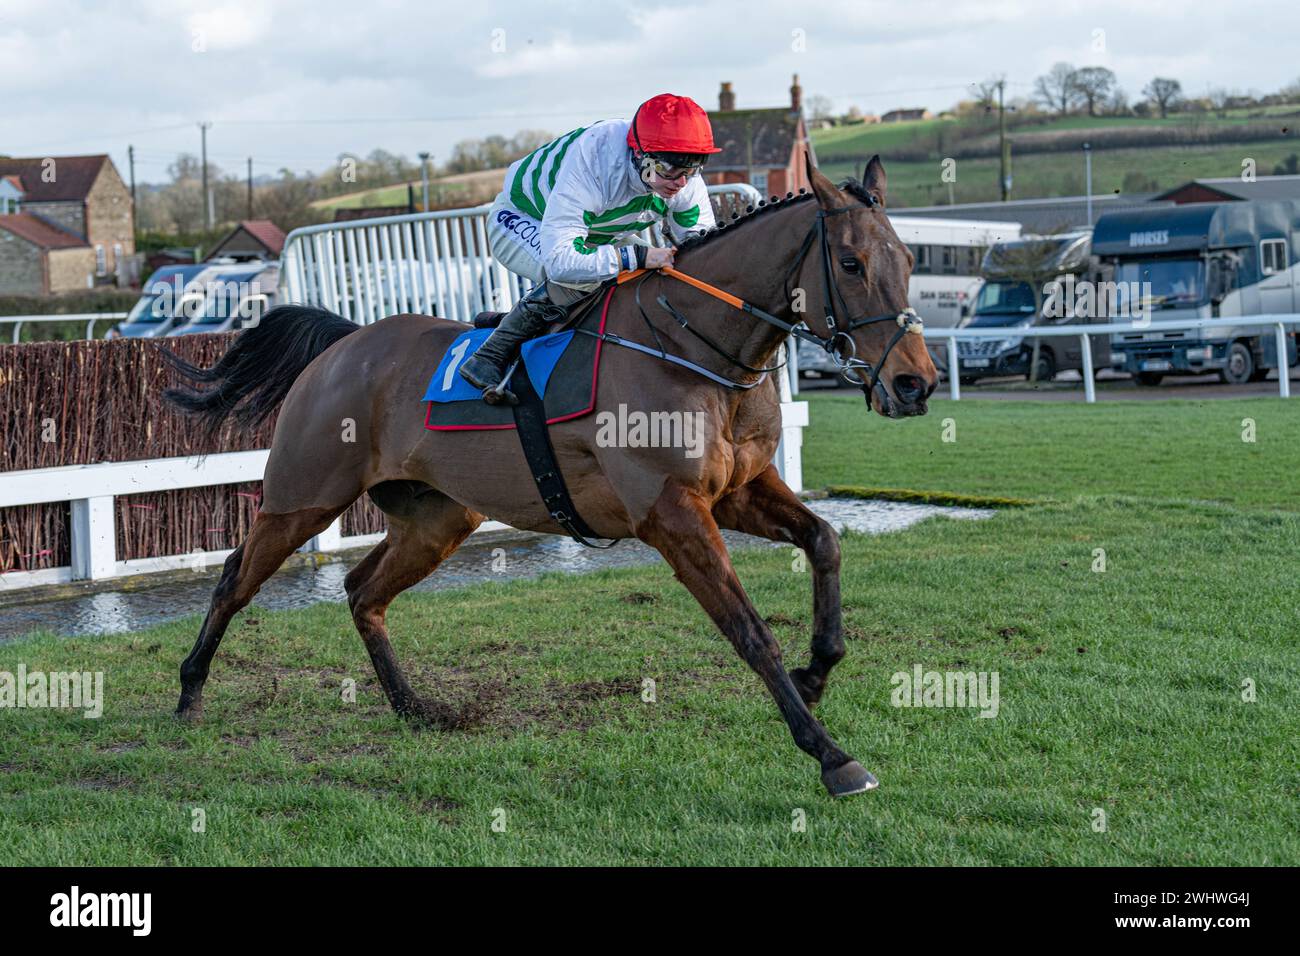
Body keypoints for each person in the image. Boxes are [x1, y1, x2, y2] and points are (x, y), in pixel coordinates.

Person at [458, 93, 722, 403]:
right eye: (669, 170)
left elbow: (701, 252)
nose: (681, 183)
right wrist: (636, 256)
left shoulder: (685, 179)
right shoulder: (594, 160)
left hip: (596, 232)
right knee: (583, 276)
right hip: (525, 218)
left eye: (693, 168)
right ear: (639, 154)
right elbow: (562, 261)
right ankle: (489, 355)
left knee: (659, 273)